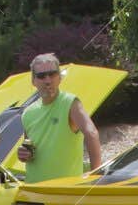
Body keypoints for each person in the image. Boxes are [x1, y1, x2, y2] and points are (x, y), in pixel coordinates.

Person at [17, 53, 102, 185]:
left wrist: (96, 178)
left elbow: (92, 134)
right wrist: (24, 154)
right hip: (34, 190)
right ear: (33, 81)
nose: (48, 80)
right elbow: (29, 148)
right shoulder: (27, 113)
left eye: (52, 74)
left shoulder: (70, 103)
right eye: (41, 76)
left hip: (64, 192)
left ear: (59, 78)